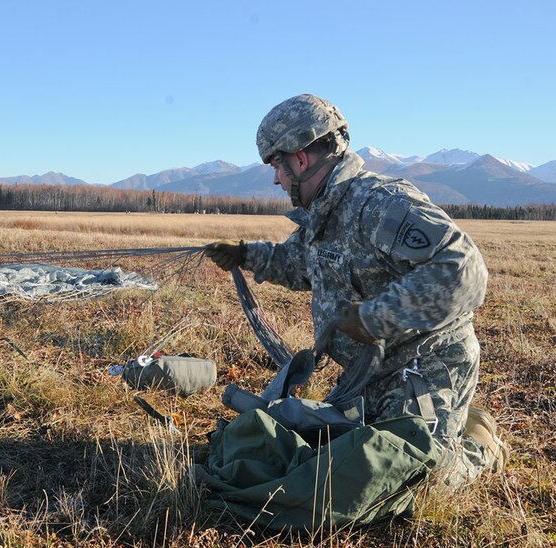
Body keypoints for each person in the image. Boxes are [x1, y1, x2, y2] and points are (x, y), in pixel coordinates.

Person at [205, 94, 507, 488]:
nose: (276, 179)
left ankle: (481, 443)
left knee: (411, 477)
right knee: (330, 450)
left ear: (300, 159)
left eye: (276, 165)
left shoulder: (380, 204)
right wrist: (246, 255)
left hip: (425, 363)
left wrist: (375, 318)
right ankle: (444, 420)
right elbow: (300, 263)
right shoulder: (325, 213)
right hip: (367, 375)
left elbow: (464, 269)